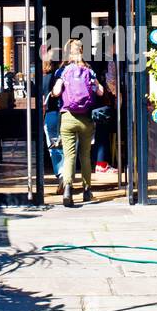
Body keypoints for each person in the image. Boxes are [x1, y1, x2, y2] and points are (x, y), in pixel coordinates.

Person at [49, 39, 103, 207]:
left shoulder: (63, 71)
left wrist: (54, 91)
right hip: (86, 119)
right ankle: (87, 191)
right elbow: (100, 92)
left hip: (68, 117)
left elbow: (57, 92)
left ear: (68, 52)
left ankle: (68, 190)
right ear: (82, 51)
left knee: (69, 156)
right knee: (85, 156)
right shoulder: (89, 70)